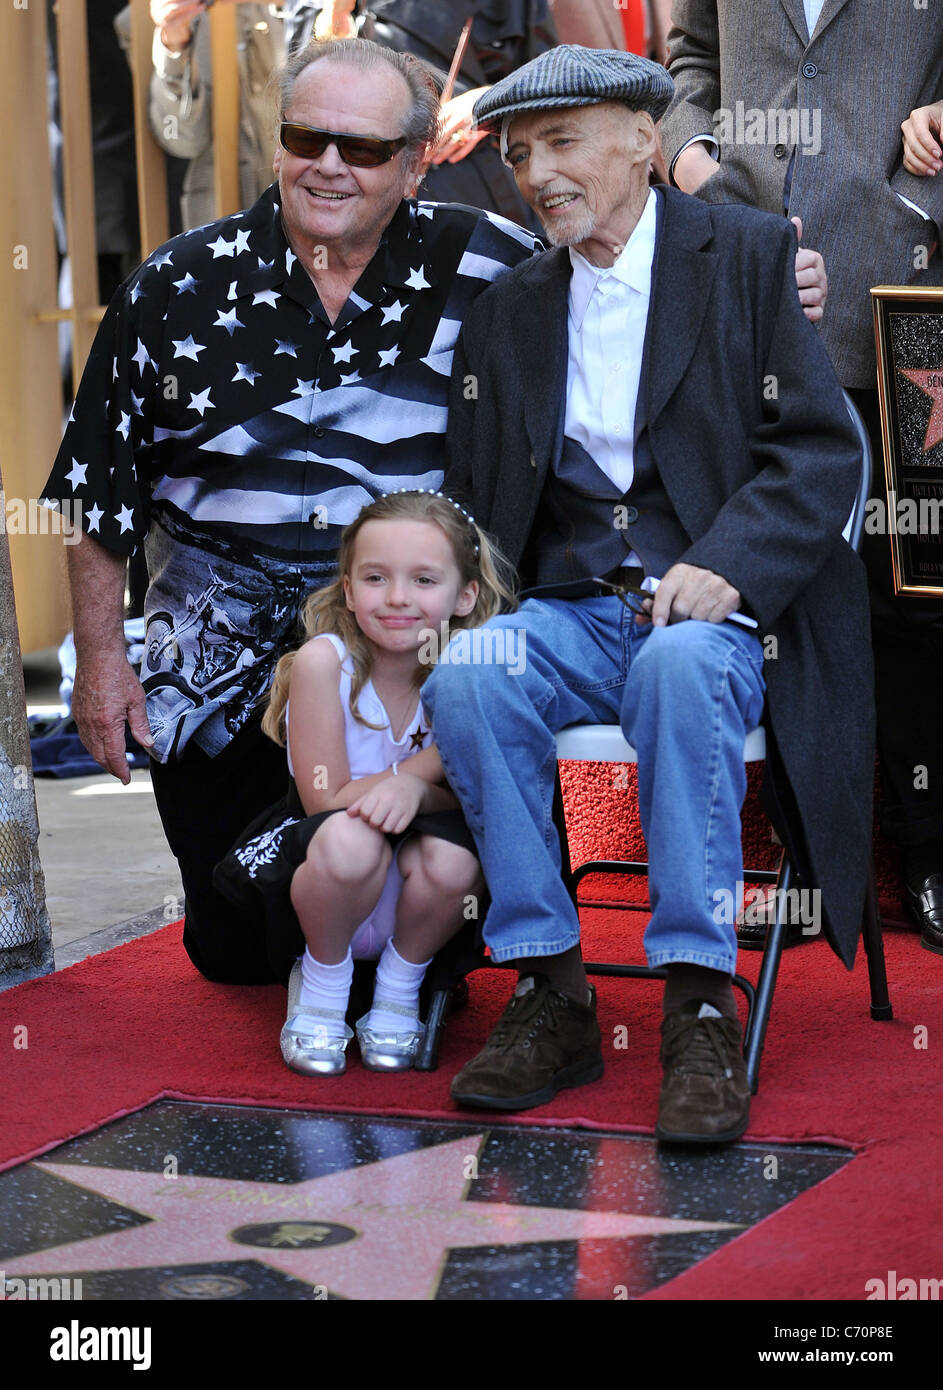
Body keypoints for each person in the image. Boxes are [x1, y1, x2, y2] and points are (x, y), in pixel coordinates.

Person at [420, 45, 874, 1143]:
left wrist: (734, 564)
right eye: (522, 154)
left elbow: (819, 453)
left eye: (564, 143)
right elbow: (478, 502)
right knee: (472, 675)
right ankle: (553, 988)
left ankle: (697, 1003)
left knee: (678, 663)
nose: (538, 174)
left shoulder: (751, 257)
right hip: (576, 605)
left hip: (725, 610)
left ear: (643, 139)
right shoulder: (511, 309)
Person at [40, 36, 540, 987]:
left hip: (409, 673)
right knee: (236, 952)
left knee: (430, 944)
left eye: (358, 149)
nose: (327, 166)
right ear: (277, 144)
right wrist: (104, 669)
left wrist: (772, 295)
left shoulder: (495, 271)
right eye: (306, 138)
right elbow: (95, 492)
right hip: (219, 674)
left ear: (414, 160)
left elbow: (631, 300)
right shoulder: (178, 288)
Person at [660, 2, 943, 955]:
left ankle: (927, 844)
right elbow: (688, 58)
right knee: (772, 569)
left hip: (908, 293)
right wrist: (693, 160)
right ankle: (801, 852)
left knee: (912, 587)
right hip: (742, 272)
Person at [214, 489, 513, 1074]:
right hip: (333, 877)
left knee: (458, 860)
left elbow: (480, 795)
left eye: (425, 580)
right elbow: (324, 799)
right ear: (348, 590)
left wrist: (417, 793)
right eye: (376, 578)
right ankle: (323, 987)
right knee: (351, 839)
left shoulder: (474, 670)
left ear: (466, 594)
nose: (398, 598)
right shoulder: (324, 662)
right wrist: (420, 776)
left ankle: (400, 991)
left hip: (422, 901)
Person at [281, 1, 558, 231]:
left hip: (469, 185)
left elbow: (548, 80)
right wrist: (334, 20)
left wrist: (488, 99)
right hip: (349, 187)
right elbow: (298, 96)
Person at [135, 0, 286, 232]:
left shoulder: (302, 8)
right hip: (224, 228)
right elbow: (181, 139)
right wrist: (174, 46)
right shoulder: (159, 15)